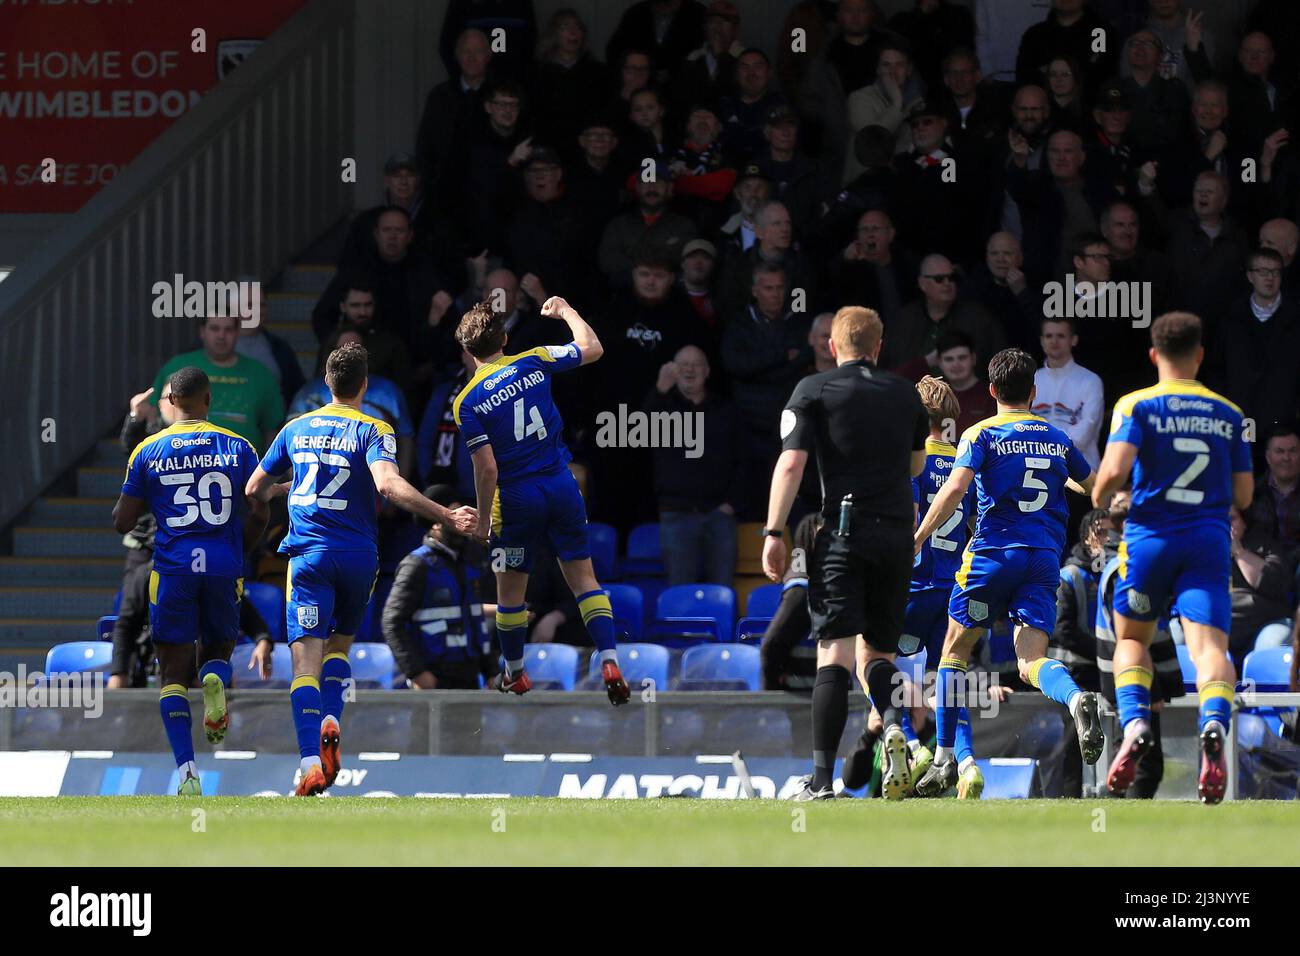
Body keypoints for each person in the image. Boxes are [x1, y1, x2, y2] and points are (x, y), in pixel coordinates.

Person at [245, 343, 477, 796]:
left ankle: (311, 762)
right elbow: (388, 485)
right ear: (364, 386)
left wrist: (285, 491)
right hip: (357, 558)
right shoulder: (374, 427)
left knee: (304, 667)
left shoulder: (296, 427)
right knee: (340, 648)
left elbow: (256, 486)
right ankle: (333, 716)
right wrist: (444, 514)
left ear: (325, 384)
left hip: (309, 557)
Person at [913, 347, 1102, 796]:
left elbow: (956, 488)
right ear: (1034, 393)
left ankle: (944, 759)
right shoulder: (1056, 438)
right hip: (1043, 559)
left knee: (953, 654)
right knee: (1030, 660)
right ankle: (1077, 698)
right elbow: (1092, 487)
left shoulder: (979, 433)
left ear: (992, 390)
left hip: (993, 557)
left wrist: (918, 538)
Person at [761, 306, 929, 801]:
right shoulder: (905, 391)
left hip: (842, 531)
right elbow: (916, 465)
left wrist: (774, 532)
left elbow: (792, 464)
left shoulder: (813, 390)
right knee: (877, 653)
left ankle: (818, 781)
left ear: (833, 348)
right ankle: (896, 725)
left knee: (833, 654)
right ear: (879, 348)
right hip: (898, 535)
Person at [1092, 311, 1254, 805]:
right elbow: (1244, 496)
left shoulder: (1135, 405)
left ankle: (1136, 721)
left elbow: (1114, 473)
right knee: (1210, 650)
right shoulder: (1228, 412)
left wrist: (1100, 494)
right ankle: (1212, 725)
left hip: (1149, 540)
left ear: (1153, 355)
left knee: (1132, 640)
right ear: (1200, 354)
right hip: (1206, 541)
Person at [452, 297, 631, 705]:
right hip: (561, 483)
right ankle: (608, 658)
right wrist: (567, 310)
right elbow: (593, 348)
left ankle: (514, 671)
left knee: (511, 592)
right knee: (584, 578)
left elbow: (487, 469)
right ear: (506, 338)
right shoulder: (533, 360)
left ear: (466, 351)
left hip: (516, 498)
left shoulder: (467, 402)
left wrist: (482, 522)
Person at [113, 367, 269, 795]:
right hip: (222, 565)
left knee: (172, 675)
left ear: (171, 401)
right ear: (208, 399)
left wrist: (153, 495)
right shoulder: (238, 446)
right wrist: (239, 550)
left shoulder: (148, 450)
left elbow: (122, 520)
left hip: (173, 569)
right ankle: (215, 673)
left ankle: (187, 773)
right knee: (217, 647)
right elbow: (259, 509)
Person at [891, 375, 980, 798]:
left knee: (878, 667)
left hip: (913, 587)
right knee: (949, 678)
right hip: (953, 589)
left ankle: (911, 744)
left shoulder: (912, 458)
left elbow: (908, 520)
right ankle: (966, 763)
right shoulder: (966, 463)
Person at [382, 484, 498, 689]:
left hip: (469, 677)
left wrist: (491, 672)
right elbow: (392, 622)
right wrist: (417, 673)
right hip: (434, 678)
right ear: (436, 524)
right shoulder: (417, 565)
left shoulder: (469, 561)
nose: (465, 523)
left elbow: (474, 618)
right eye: (456, 515)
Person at [645, 345, 743, 586]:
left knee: (722, 587)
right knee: (678, 591)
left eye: (696, 363)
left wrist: (732, 503)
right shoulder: (662, 406)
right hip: (676, 514)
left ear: (707, 371)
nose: (689, 369)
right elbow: (639, 434)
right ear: (672, 371)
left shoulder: (726, 410)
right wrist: (659, 390)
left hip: (719, 514)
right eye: (682, 364)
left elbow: (743, 460)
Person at [150, 314, 284, 452]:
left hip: (245, 467)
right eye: (214, 328)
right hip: (183, 462)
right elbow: (153, 413)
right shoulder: (176, 367)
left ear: (238, 333)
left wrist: (271, 470)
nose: (221, 335)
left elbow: (272, 430)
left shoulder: (260, 373)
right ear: (202, 331)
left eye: (228, 329)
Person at [1032, 316, 1104, 471]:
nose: (1054, 341)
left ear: (1074, 340)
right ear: (1042, 340)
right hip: (1038, 472)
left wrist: (1039, 443)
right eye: (1049, 336)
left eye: (1061, 336)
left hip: (1082, 474)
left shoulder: (1090, 381)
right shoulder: (1031, 380)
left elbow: (1084, 434)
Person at [1245, 425, 1300, 550]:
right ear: (1268, 457)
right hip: (1259, 560)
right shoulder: (1250, 492)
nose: (1286, 458)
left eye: (1293, 451)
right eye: (1279, 451)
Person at [935, 330, 996, 435]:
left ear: (973, 358)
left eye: (962, 358)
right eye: (949, 359)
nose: (956, 364)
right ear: (939, 362)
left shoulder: (992, 395)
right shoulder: (933, 396)